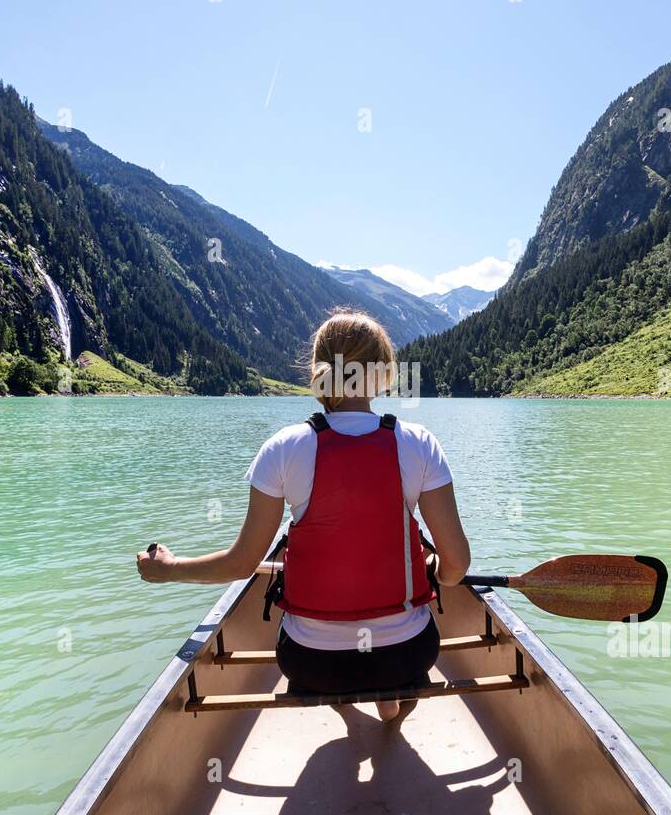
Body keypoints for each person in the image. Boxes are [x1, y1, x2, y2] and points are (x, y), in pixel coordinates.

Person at [136, 309, 471, 721]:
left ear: (318, 373)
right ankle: (392, 699)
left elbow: (242, 563)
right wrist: (436, 571)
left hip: (312, 661)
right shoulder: (419, 443)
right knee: (401, 657)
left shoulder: (284, 447)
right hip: (405, 655)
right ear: (382, 374)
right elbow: (457, 566)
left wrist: (169, 569)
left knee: (327, 661)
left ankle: (351, 694)